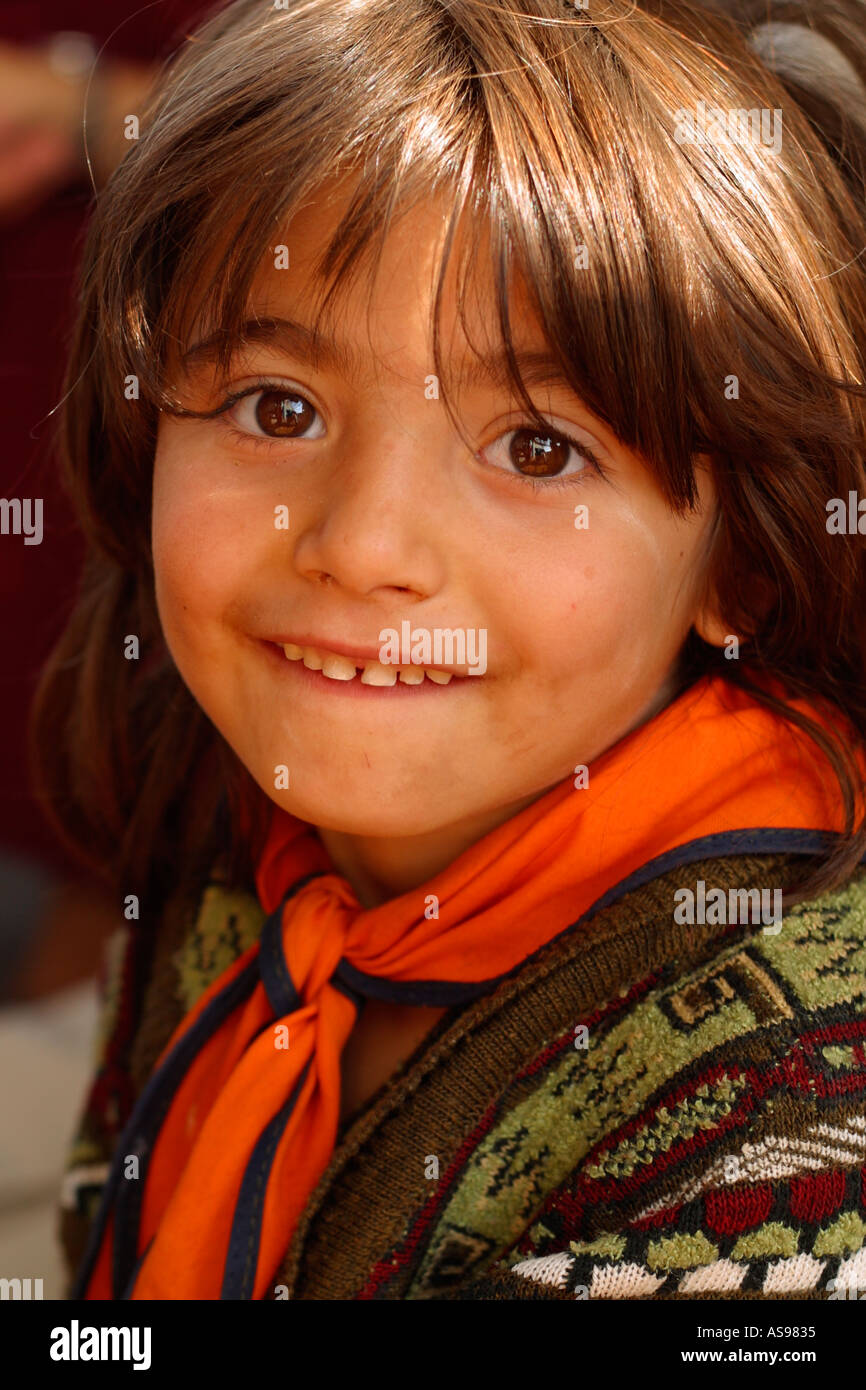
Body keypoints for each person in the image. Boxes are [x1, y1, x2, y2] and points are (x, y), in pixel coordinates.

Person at [35, 0, 866, 1300]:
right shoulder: (229, 843)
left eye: (537, 448)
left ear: (738, 566)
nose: (362, 545)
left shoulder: (794, 1096)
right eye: (277, 407)